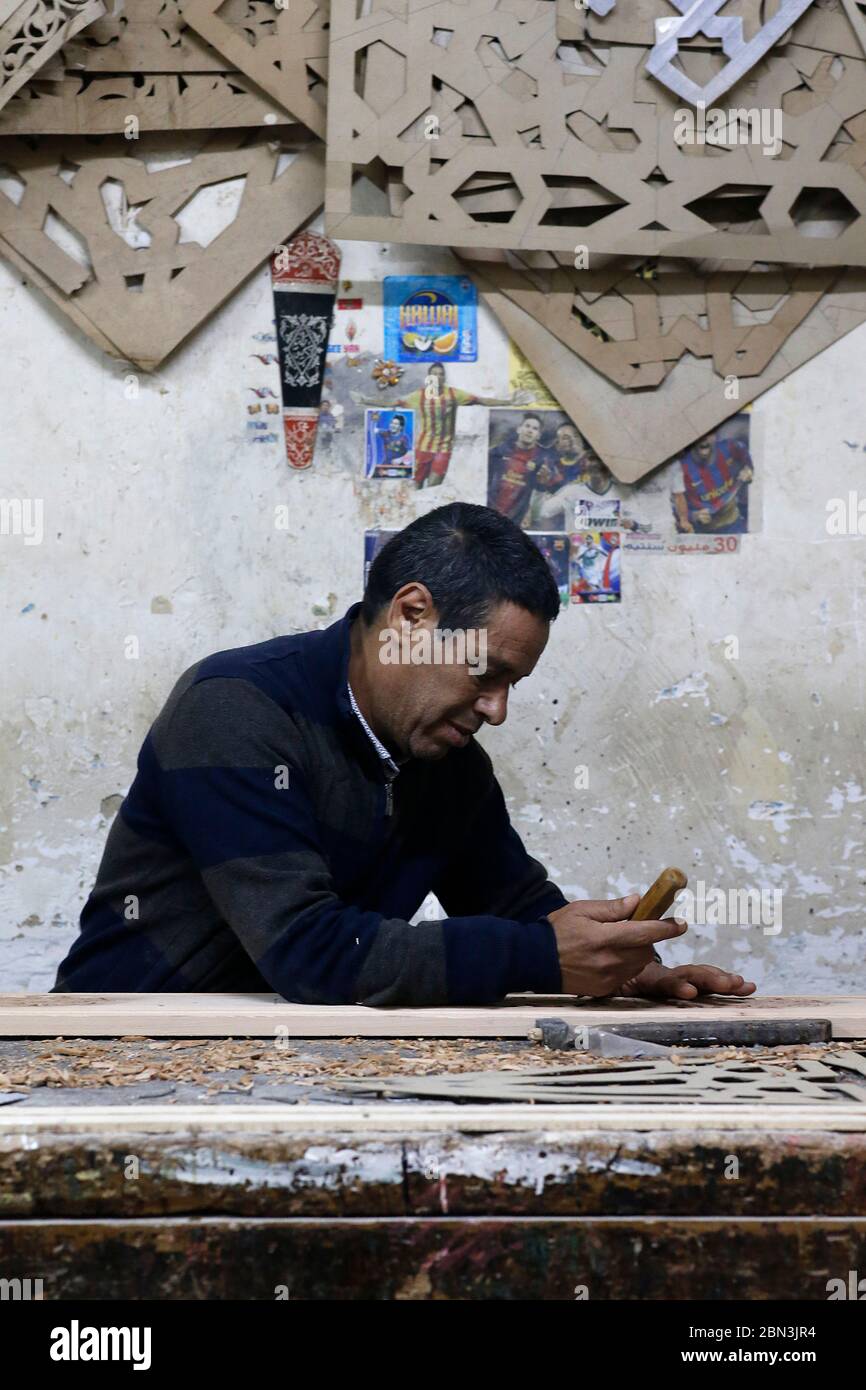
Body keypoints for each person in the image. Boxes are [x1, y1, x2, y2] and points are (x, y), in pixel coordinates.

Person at [54, 504, 755, 1007]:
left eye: (514, 685)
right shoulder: (233, 707)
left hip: (286, 1062)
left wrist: (620, 968)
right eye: (485, 673)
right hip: (113, 1051)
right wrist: (544, 957)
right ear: (412, 617)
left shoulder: (449, 763)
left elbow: (515, 906)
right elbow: (310, 952)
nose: (497, 710)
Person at [356, 363, 512, 488]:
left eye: (441, 374)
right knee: (415, 485)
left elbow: (481, 400)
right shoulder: (418, 396)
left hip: (443, 449)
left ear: (444, 377)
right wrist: (366, 400)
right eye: (434, 374)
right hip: (423, 447)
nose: (438, 376)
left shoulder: (454, 394)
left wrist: (509, 402)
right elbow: (392, 402)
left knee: (433, 487)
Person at [672, 429, 753, 533]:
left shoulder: (730, 447)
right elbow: (668, 506)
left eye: (709, 433)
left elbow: (744, 454)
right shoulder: (679, 467)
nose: (703, 438)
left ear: (715, 436)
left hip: (732, 522)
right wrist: (693, 515)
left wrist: (749, 469)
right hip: (699, 531)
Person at [489, 413, 551, 524]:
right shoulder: (498, 451)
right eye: (527, 426)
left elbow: (540, 496)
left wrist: (542, 484)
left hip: (517, 518)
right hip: (490, 511)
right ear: (519, 429)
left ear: (538, 435)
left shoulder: (542, 461)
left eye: (535, 428)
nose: (530, 430)